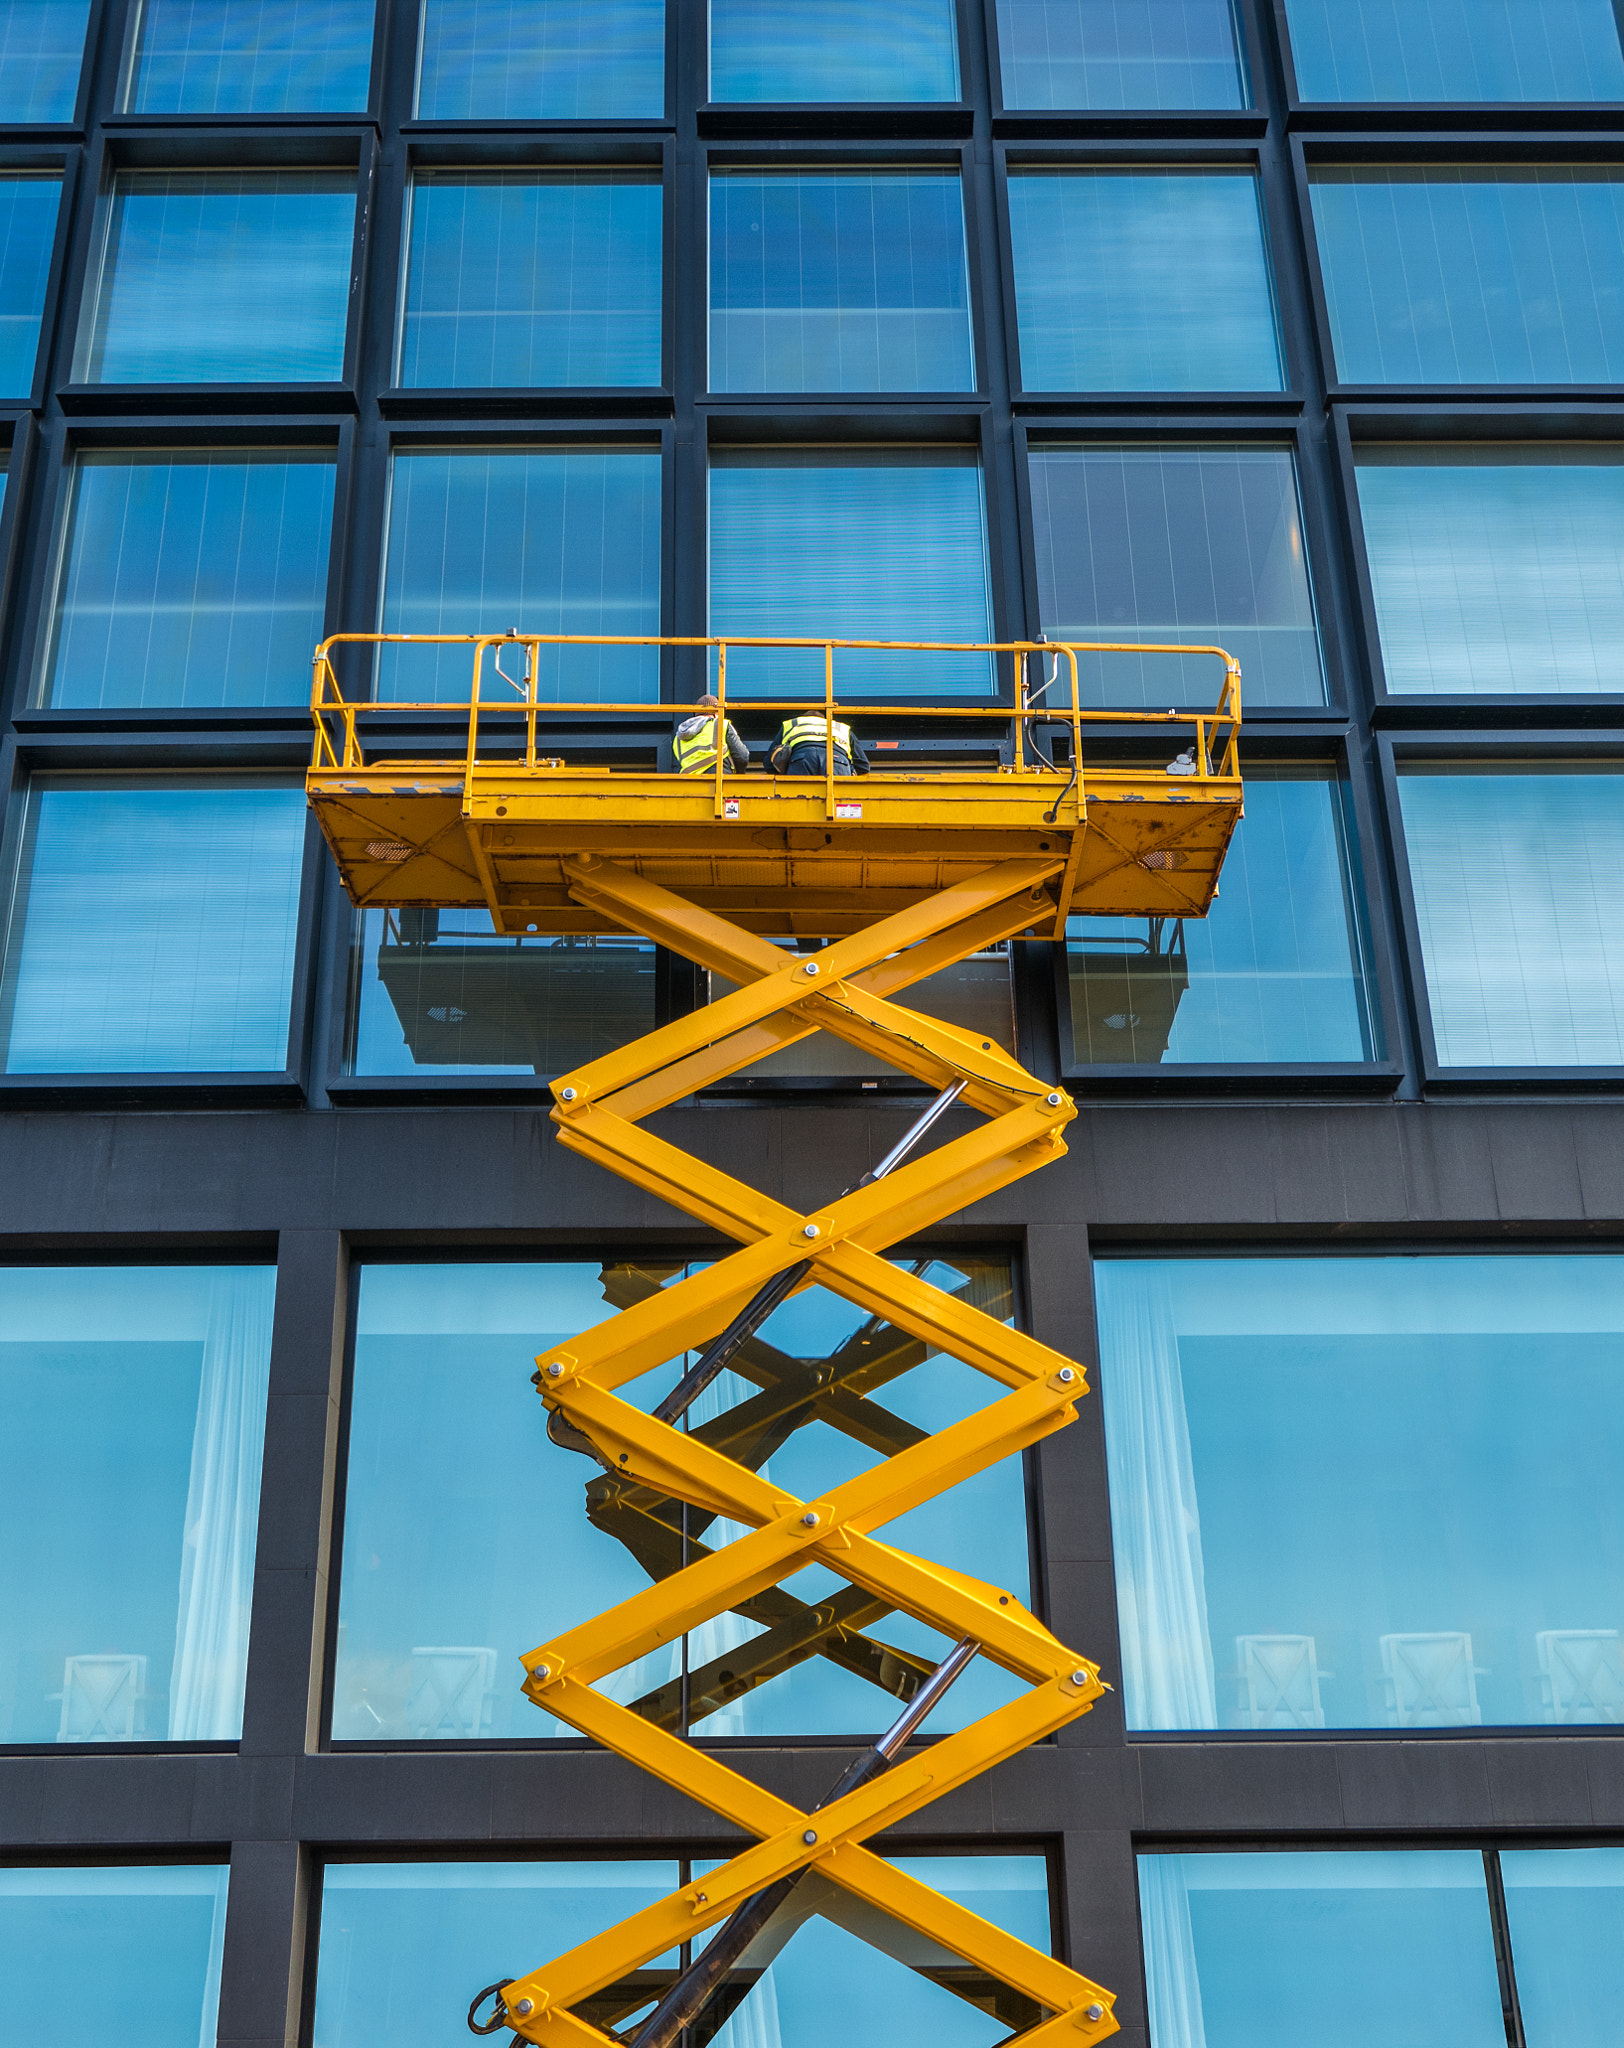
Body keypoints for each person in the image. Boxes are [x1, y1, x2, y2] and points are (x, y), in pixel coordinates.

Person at [769, 712, 870, 778]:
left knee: (798, 805)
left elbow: (769, 763)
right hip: (837, 761)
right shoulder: (840, 727)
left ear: (804, 719)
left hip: (801, 759)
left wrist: (786, 770)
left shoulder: (793, 724)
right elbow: (863, 766)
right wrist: (850, 769)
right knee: (841, 805)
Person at [673, 693, 751, 775]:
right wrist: (739, 774)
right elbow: (742, 756)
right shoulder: (720, 724)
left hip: (690, 783)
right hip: (719, 780)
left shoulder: (679, 735)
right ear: (717, 713)